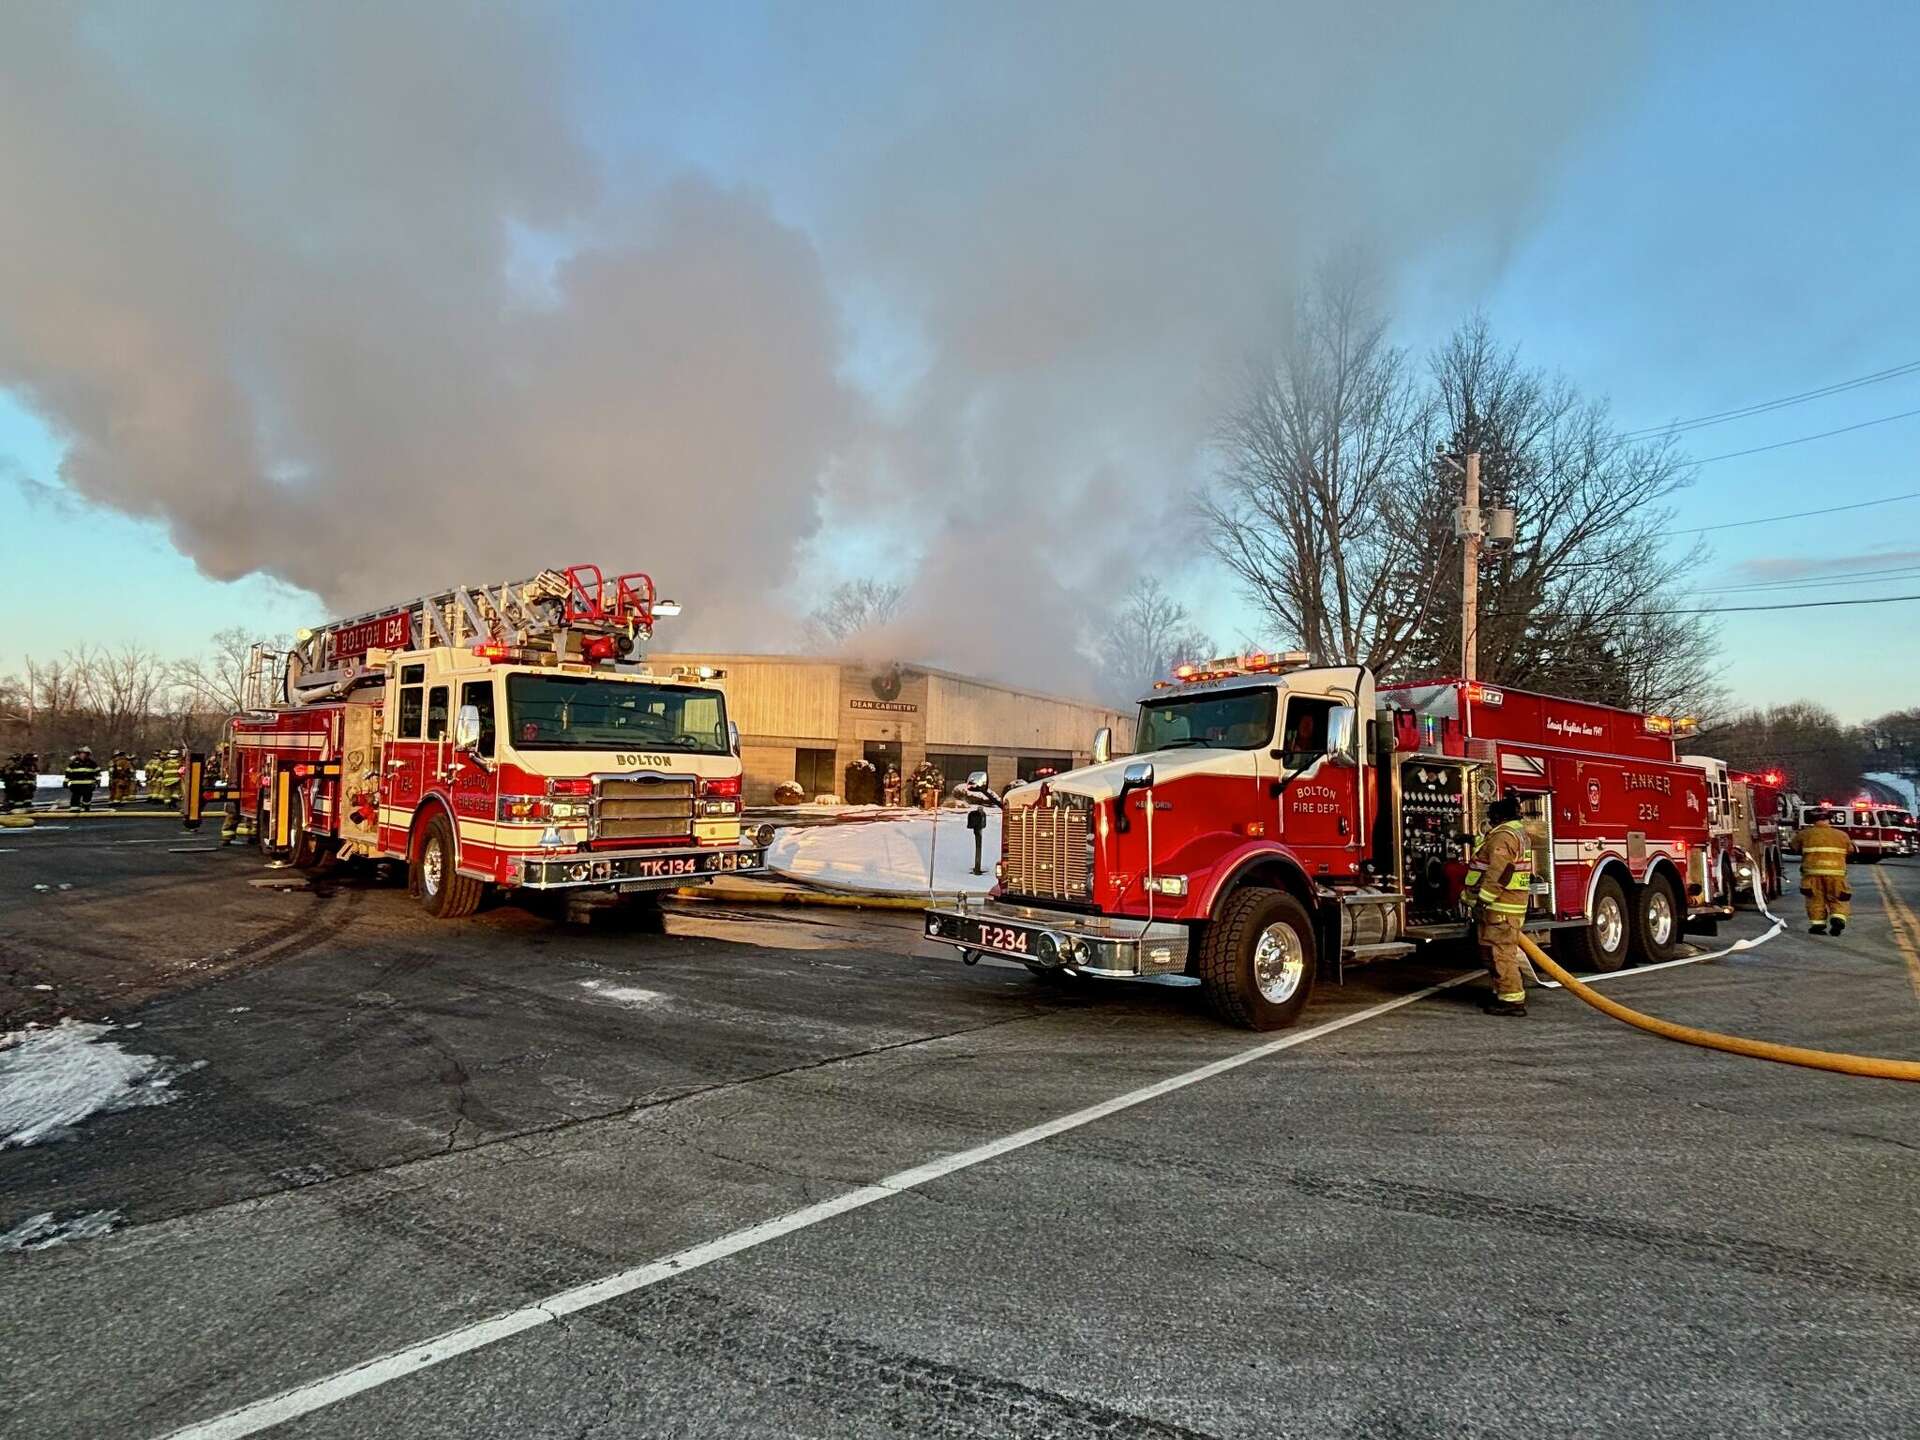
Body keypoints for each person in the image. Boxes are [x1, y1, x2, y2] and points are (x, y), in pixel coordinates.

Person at [1464, 795, 1535, 1016]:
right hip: (1505, 906)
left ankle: (1512, 1001)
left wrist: (1482, 901)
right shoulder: (1514, 834)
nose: (1490, 820)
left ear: (1499, 816)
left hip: (1500, 907)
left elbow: (1498, 872)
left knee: (1500, 953)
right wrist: (1470, 839)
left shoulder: (1503, 836)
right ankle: (1500, 993)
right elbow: (1489, 853)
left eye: (1492, 816)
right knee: (1492, 952)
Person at [1797, 812, 1852, 936]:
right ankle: (1838, 919)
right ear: (1829, 820)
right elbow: (1851, 850)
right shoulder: (1842, 835)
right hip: (1836, 874)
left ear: (1813, 821)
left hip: (1812, 874)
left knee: (1815, 900)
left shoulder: (1804, 834)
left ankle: (1818, 925)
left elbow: (1794, 847)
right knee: (1838, 898)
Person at [65, 746, 100, 811]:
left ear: (88, 754)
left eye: (85, 754)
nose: (83, 755)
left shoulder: (92, 763)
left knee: (87, 797)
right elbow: (68, 773)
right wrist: (66, 781)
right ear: (78, 754)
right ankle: (74, 808)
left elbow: (97, 772)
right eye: (81, 753)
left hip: (88, 785)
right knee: (75, 797)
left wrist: (98, 781)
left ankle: (86, 807)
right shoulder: (73, 763)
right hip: (76, 785)